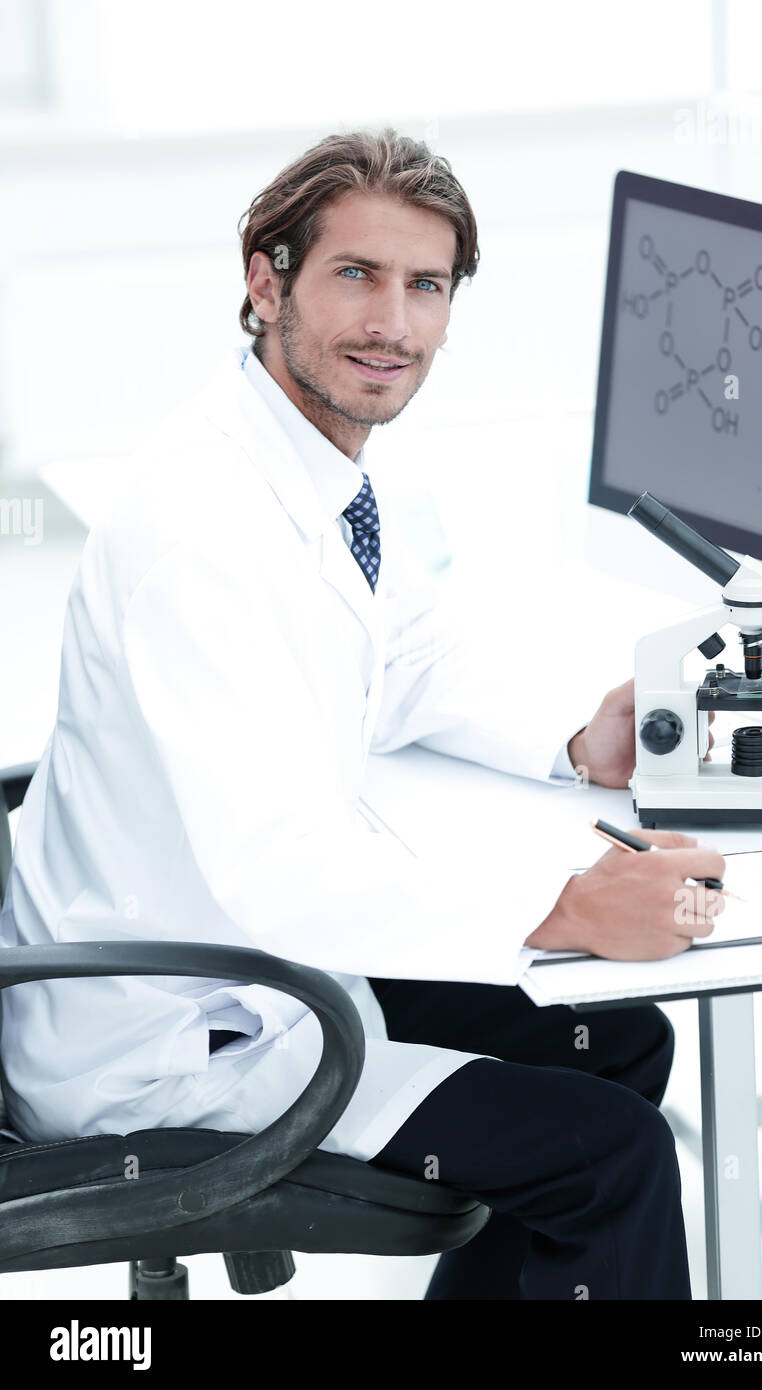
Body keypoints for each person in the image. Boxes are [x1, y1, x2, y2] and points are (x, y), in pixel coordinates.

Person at [0, 129, 725, 1300]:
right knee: (609, 1158)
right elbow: (276, 869)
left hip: (238, 962)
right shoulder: (202, 527)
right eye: (355, 274)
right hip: (175, 1034)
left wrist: (572, 738)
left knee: (620, 1034)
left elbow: (400, 652)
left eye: (422, 286)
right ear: (265, 277)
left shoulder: (305, 462)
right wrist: (556, 904)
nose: (390, 320)